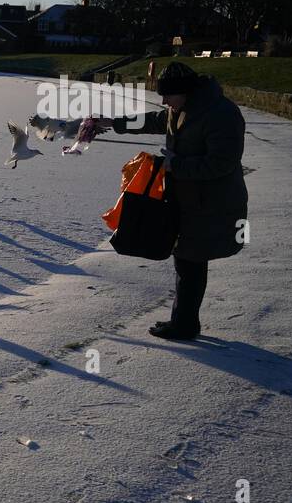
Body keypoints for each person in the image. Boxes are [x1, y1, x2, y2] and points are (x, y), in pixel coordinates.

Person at [99, 61, 247, 340]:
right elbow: (155, 120)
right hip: (187, 200)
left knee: (190, 261)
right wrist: (113, 122)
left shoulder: (222, 114)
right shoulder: (179, 108)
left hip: (212, 204)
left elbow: (222, 163)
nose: (164, 101)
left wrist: (175, 166)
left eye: (168, 95)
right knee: (186, 260)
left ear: (186, 92)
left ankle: (184, 325)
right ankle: (184, 322)